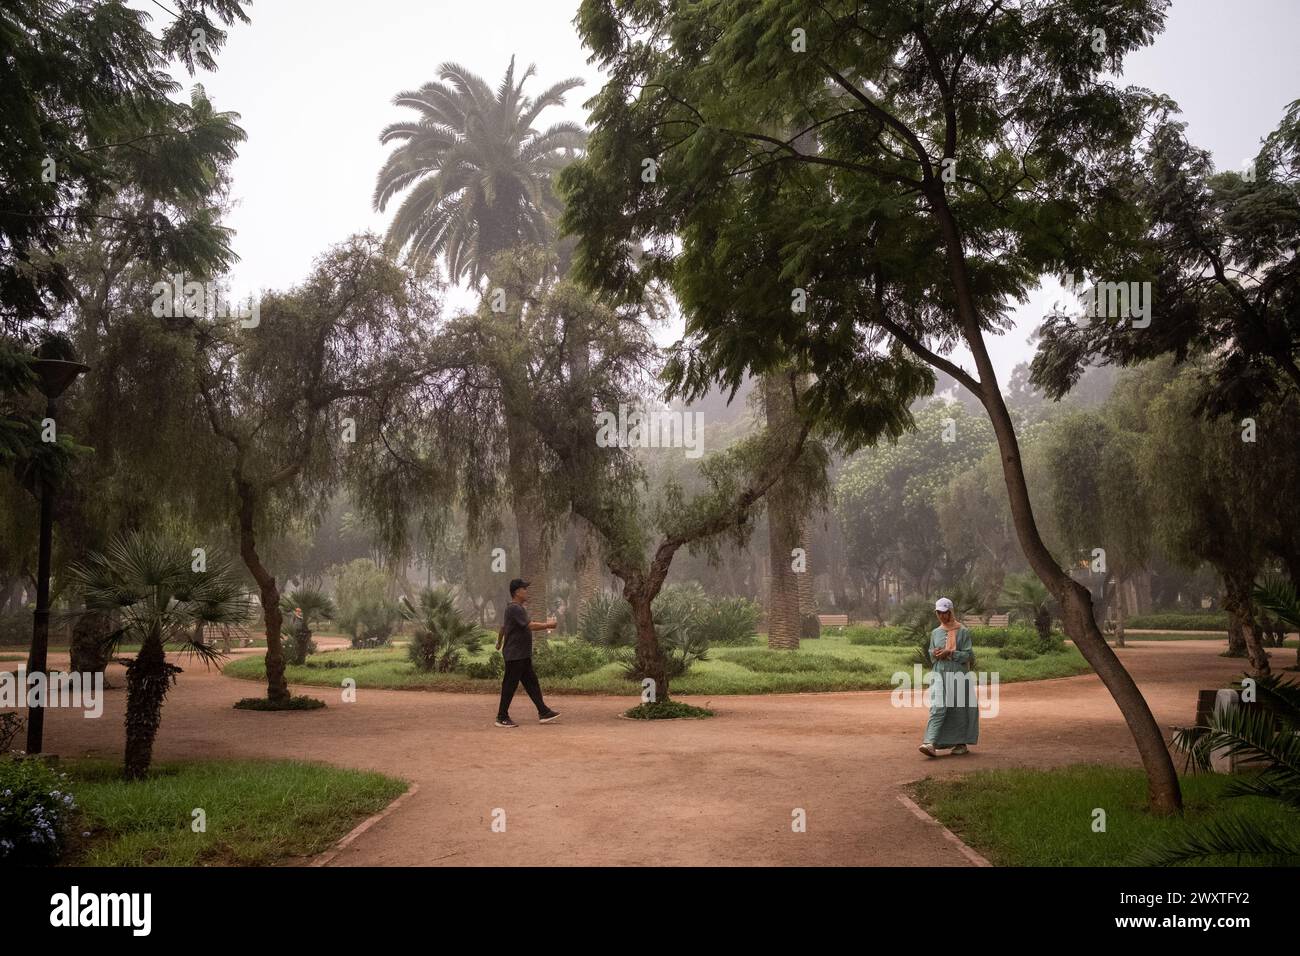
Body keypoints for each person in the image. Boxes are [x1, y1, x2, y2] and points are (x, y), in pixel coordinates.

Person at [495, 578, 561, 728]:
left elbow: (503, 627)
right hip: (515, 655)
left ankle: (543, 711)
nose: (527, 591)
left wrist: (498, 642)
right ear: (517, 592)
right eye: (524, 589)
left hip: (522, 655)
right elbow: (529, 626)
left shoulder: (514, 608)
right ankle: (501, 716)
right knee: (509, 685)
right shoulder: (515, 608)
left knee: (532, 683)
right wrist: (548, 625)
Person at [919, 597, 979, 757]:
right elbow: (931, 652)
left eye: (945, 613)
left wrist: (950, 653)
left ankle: (960, 743)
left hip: (958, 674)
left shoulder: (963, 631)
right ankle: (930, 742)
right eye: (939, 613)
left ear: (951, 612)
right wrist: (936, 653)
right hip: (939, 673)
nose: (942, 616)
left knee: (959, 708)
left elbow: (968, 655)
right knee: (938, 706)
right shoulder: (935, 632)